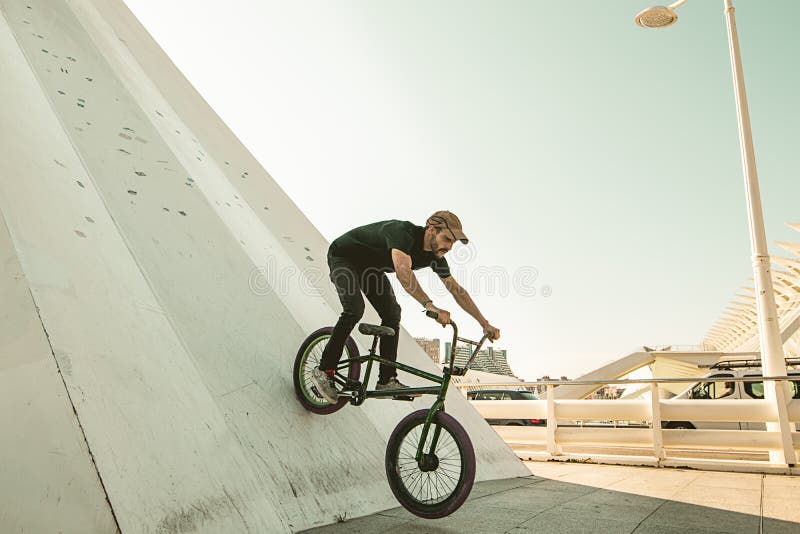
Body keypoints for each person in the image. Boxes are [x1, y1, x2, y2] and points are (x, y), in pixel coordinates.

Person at [311, 210, 501, 403]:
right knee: (354, 309)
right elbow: (403, 272)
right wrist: (430, 305)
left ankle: (387, 379)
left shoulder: (435, 257)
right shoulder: (403, 233)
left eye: (453, 243)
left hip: (370, 270)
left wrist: (484, 323)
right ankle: (324, 370)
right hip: (344, 257)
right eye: (447, 239)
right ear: (431, 230)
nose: (449, 246)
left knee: (392, 313)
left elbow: (456, 290)